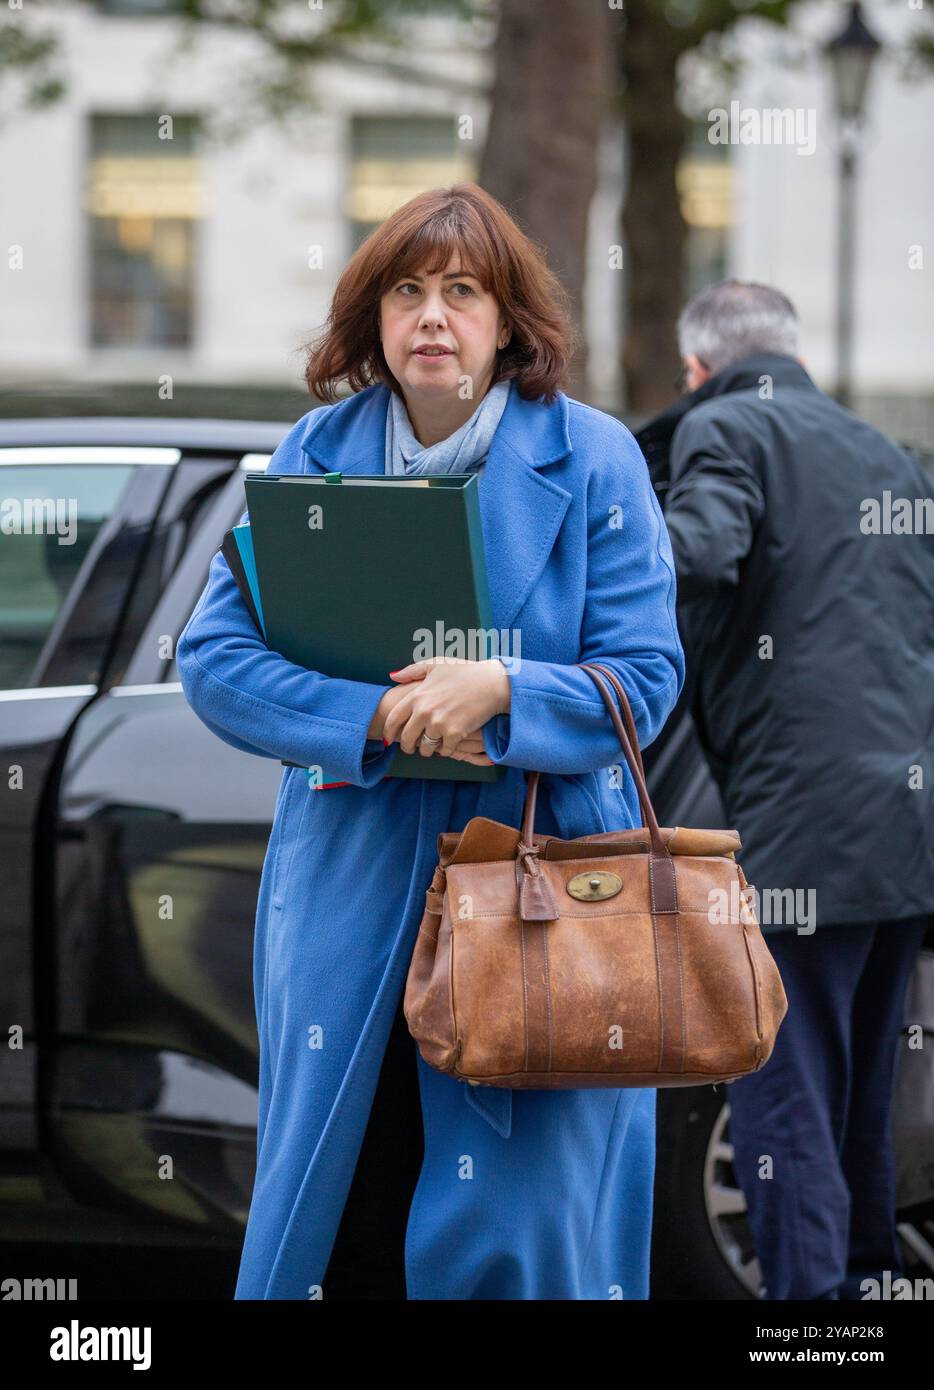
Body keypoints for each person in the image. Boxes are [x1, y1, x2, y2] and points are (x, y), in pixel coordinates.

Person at [176, 182, 685, 1301]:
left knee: (520, 1215)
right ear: (375, 317)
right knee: (344, 1200)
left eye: (463, 291)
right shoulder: (315, 450)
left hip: (541, 885)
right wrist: (374, 716)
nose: (432, 318)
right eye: (407, 291)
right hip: (354, 879)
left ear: (509, 323)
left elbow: (644, 683)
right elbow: (213, 662)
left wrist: (501, 688)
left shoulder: (594, 458)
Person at [637, 279, 934, 1300]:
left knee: (784, 1095)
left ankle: (809, 1316)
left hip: (799, 827)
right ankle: (863, 1288)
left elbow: (697, 550)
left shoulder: (722, 427)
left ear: (697, 368)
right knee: (860, 1093)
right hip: (903, 825)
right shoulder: (883, 453)